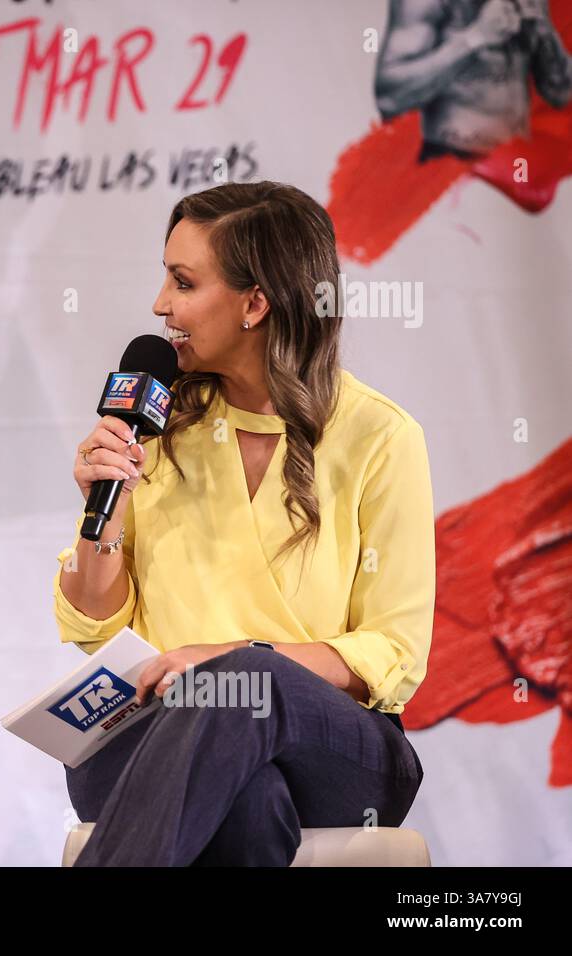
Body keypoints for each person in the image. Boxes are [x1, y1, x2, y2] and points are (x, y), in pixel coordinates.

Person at [54, 181, 434, 867]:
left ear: (255, 303)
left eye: (182, 282)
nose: (159, 305)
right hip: (154, 737)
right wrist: (99, 515)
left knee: (241, 685)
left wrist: (234, 660)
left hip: (334, 748)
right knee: (250, 804)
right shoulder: (156, 425)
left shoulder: (380, 436)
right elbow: (96, 627)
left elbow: (393, 652)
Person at [375, 0, 571, 162]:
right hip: (450, 162)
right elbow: (389, 97)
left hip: (514, 162)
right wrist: (476, 37)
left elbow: (562, 93)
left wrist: (546, 34)